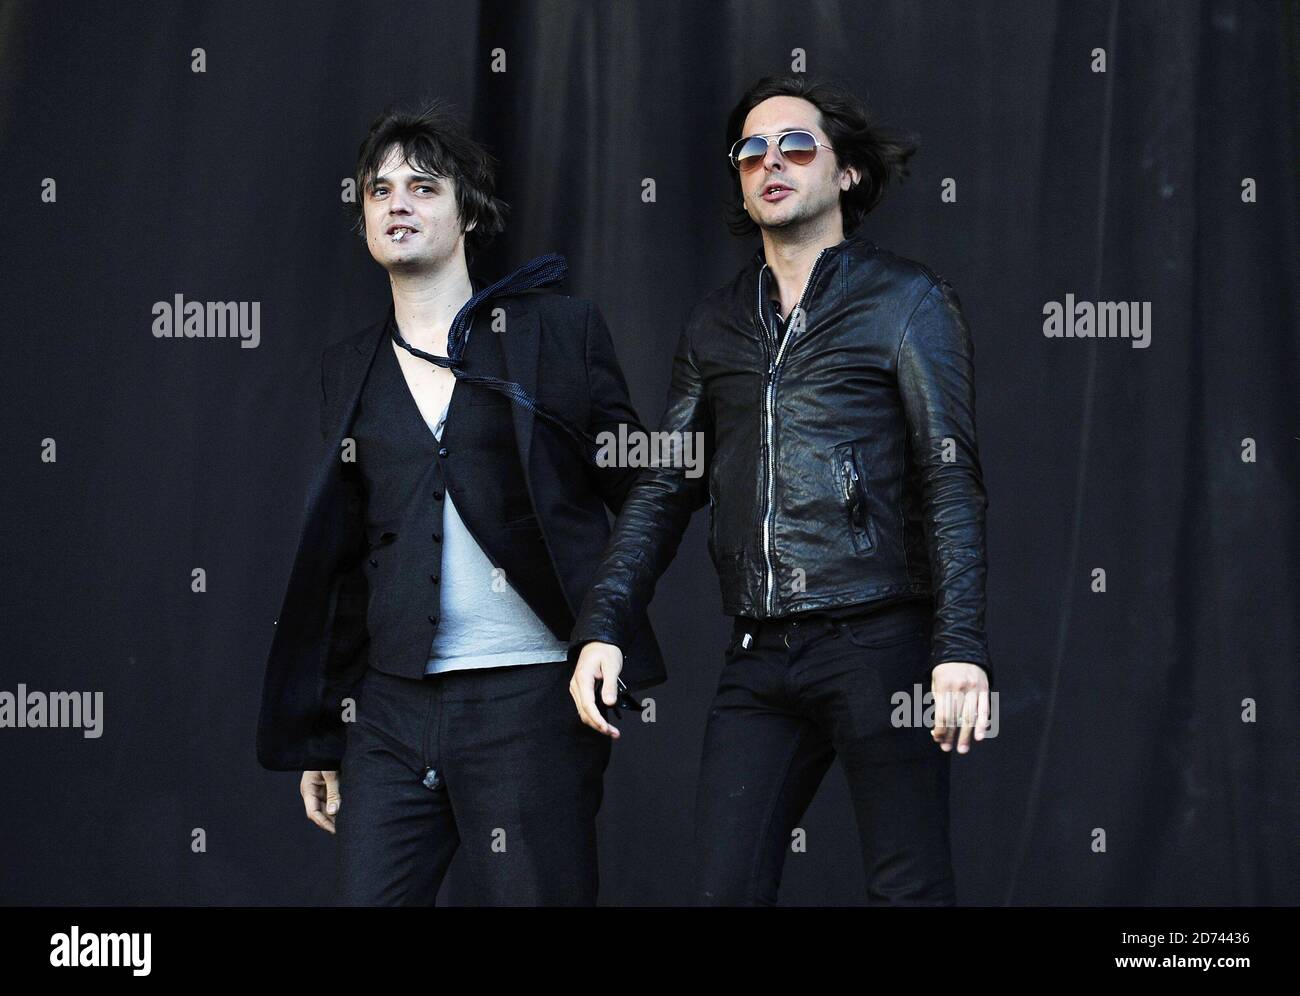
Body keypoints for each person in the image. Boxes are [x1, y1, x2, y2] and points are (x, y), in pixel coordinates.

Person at [569, 74, 994, 905]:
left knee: (910, 886)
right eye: (751, 150)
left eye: (797, 145)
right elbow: (665, 484)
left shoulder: (906, 300)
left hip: (879, 638)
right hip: (759, 653)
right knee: (725, 887)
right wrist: (604, 622)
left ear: (847, 174)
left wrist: (960, 647)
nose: (772, 161)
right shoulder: (715, 322)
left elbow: (950, 476)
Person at [256, 101, 662, 905]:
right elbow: (348, 561)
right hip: (391, 712)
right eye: (378, 190)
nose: (396, 201)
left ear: (468, 213)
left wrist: (605, 626)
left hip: (531, 700)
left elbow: (646, 484)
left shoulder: (557, 331)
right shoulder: (349, 366)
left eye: (422, 186)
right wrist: (324, 734)